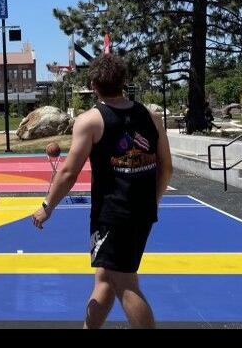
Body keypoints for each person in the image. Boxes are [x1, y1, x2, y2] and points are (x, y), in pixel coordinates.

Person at [32, 54, 172, 329]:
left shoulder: (90, 121)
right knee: (105, 279)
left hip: (114, 214)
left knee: (126, 284)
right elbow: (166, 168)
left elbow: (69, 172)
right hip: (141, 211)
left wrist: (47, 206)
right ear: (124, 82)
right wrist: (153, 201)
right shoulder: (151, 117)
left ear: (93, 83)